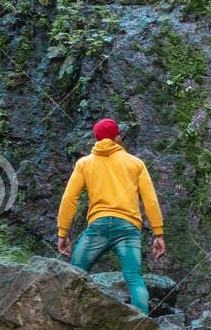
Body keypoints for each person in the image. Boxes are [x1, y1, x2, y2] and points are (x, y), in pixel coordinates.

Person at [57, 118, 165, 314]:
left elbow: (69, 198)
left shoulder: (84, 164)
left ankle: (63, 318)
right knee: (134, 278)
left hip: (98, 227)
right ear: (118, 138)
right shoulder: (136, 164)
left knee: (73, 273)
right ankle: (141, 327)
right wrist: (158, 233)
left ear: (96, 139)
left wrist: (62, 233)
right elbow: (150, 201)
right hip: (128, 229)